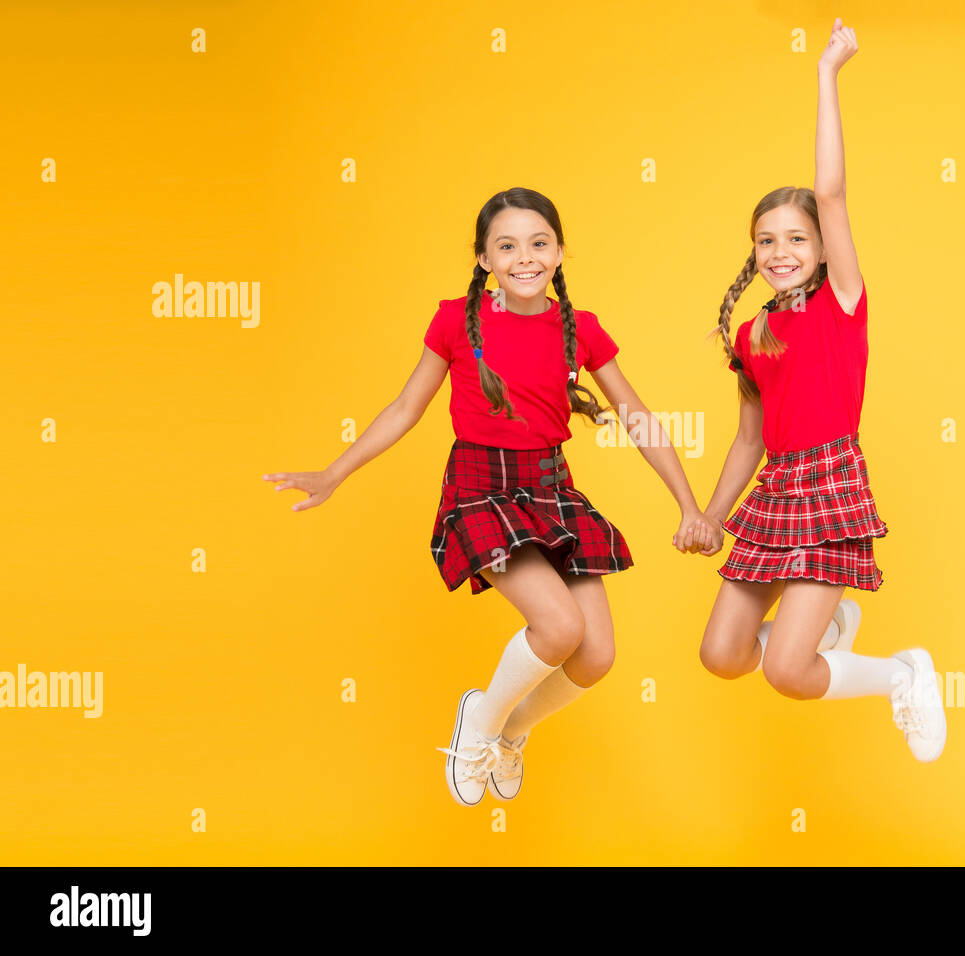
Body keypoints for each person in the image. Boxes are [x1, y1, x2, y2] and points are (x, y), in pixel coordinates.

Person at [264, 186, 714, 804]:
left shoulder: (580, 329)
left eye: (539, 243)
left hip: (551, 489)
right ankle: (477, 720)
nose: (524, 257)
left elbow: (636, 415)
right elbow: (404, 408)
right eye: (506, 245)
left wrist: (688, 505)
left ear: (559, 253)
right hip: (482, 489)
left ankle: (510, 731)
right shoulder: (455, 320)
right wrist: (335, 472)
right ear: (483, 258)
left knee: (596, 656)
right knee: (557, 626)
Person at [681, 19, 946, 762]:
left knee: (788, 674)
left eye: (796, 239)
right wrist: (708, 513)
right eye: (767, 240)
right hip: (774, 492)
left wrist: (828, 71)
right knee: (723, 656)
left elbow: (829, 190)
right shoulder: (754, 335)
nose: (781, 252)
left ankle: (902, 674)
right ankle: (823, 633)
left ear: (825, 249)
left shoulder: (843, 304)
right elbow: (749, 440)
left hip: (830, 484)